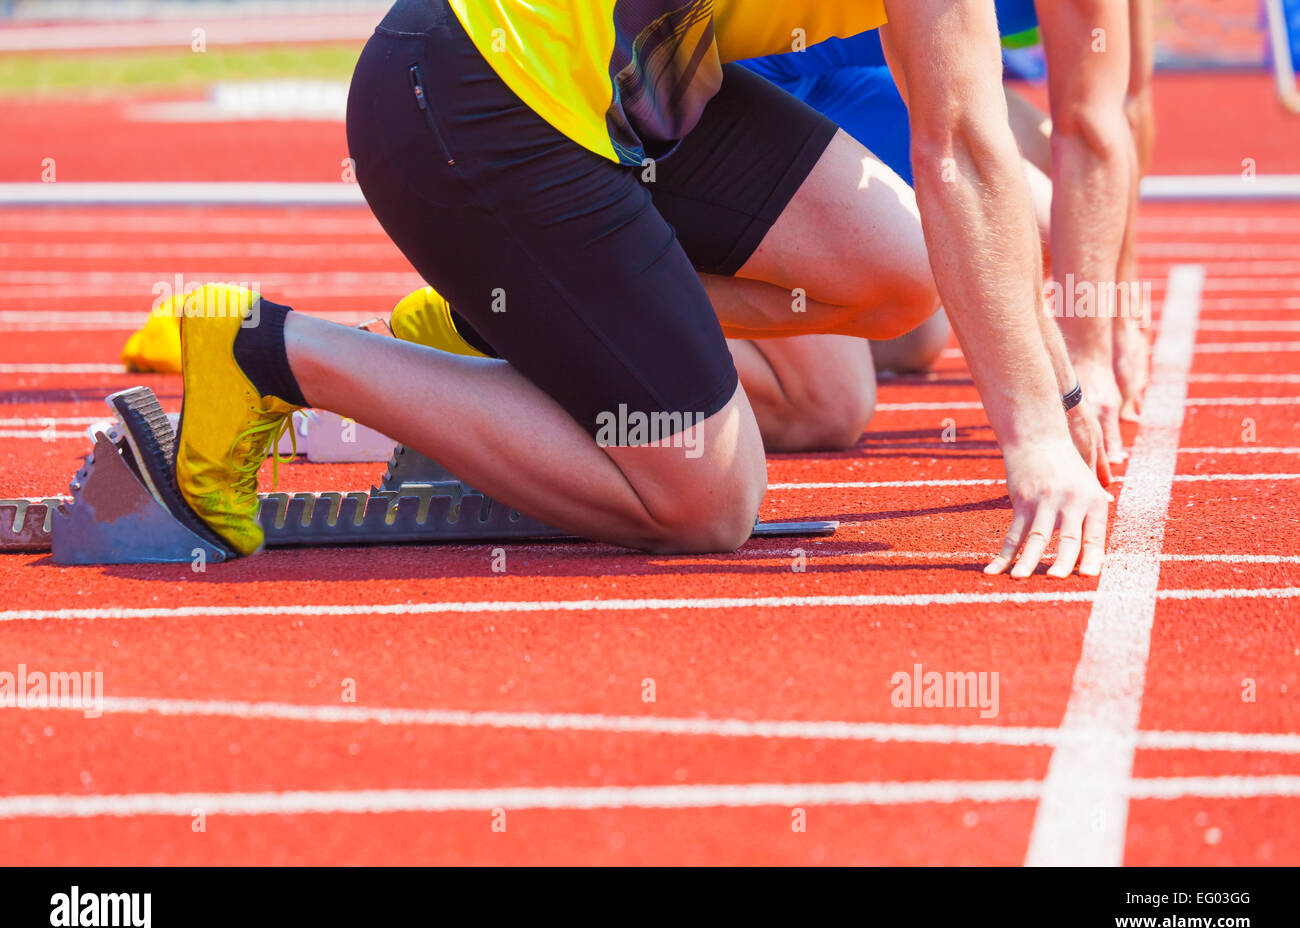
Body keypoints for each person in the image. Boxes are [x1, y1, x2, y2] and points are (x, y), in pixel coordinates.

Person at [170, 0, 1111, 578]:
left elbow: (973, 163)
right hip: (472, 93)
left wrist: (1057, 389)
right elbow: (965, 155)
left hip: (637, 91)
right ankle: (269, 352)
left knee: (903, 276)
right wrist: (1034, 437)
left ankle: (495, 325)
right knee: (710, 504)